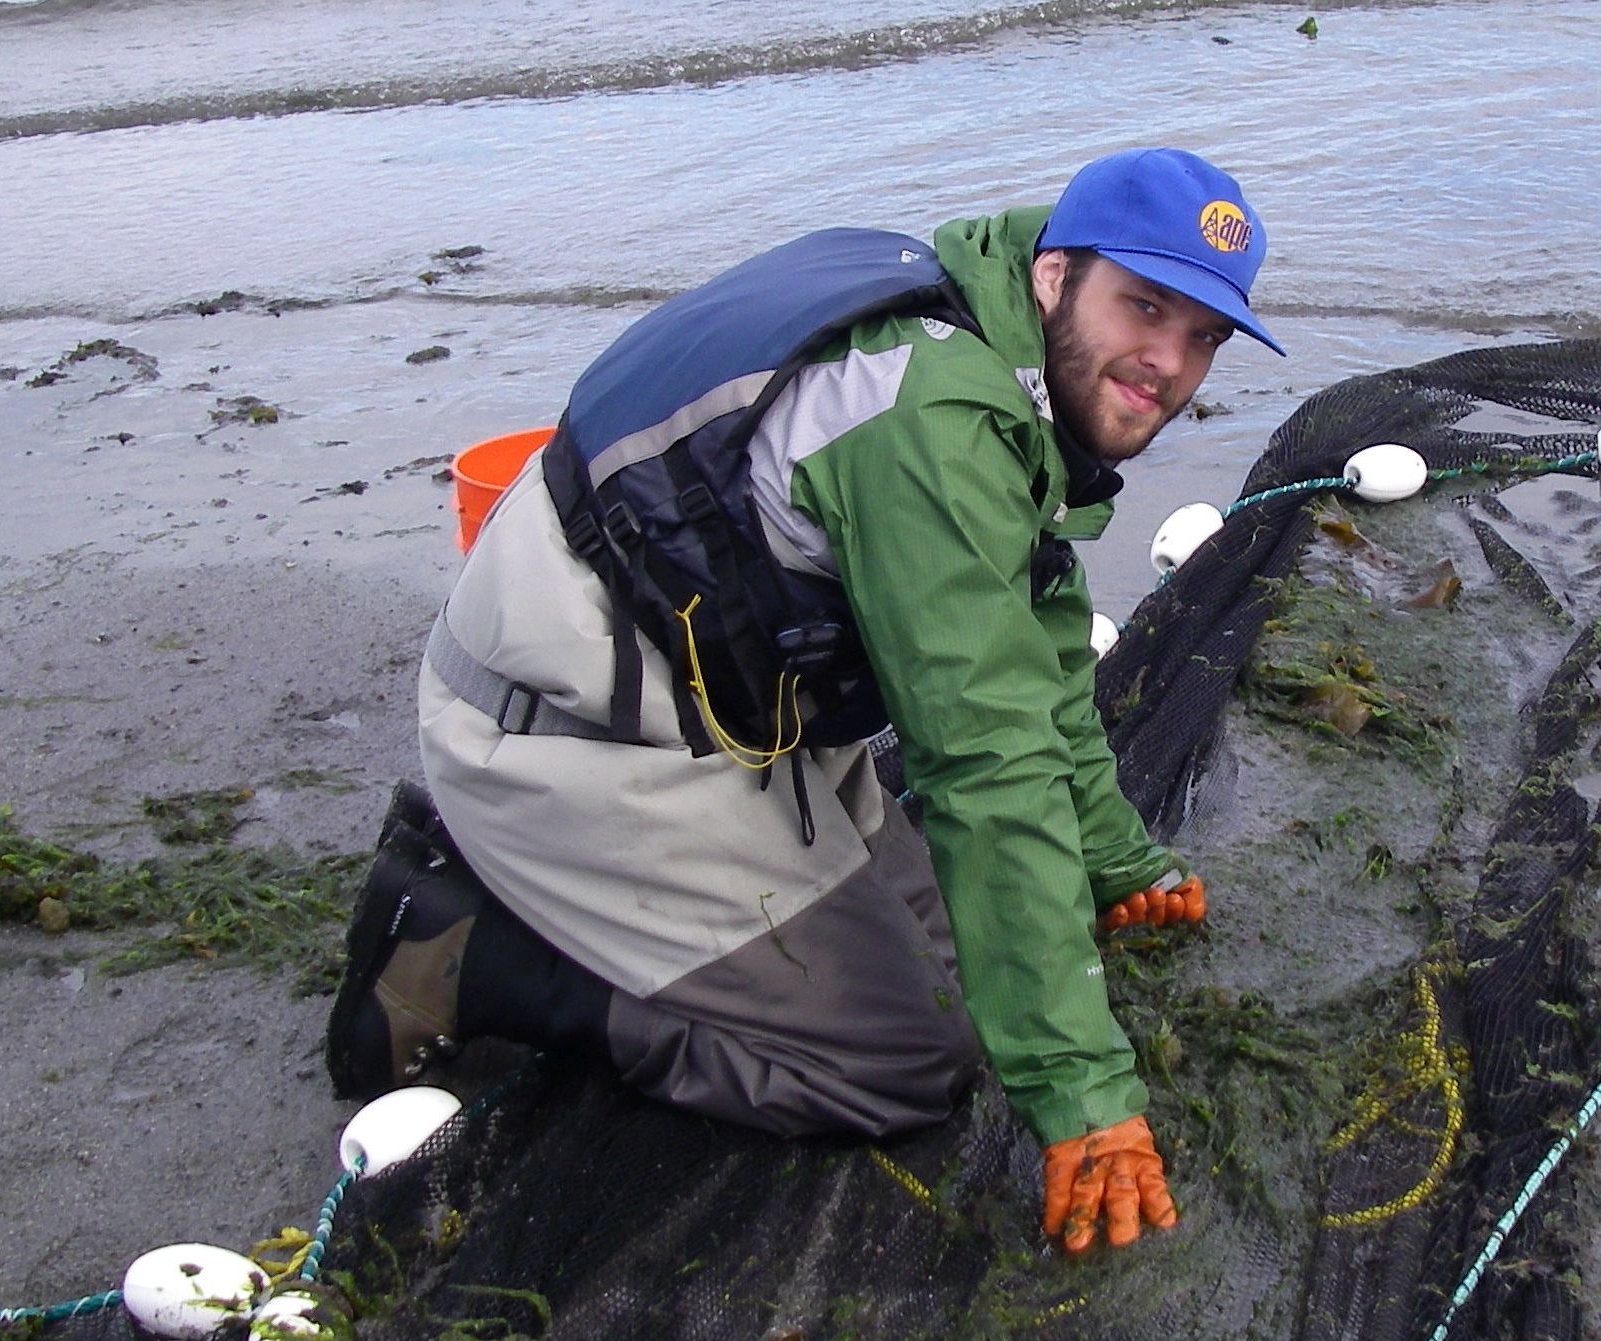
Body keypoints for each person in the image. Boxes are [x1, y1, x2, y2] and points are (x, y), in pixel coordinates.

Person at [327, 147, 1283, 1255]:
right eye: (1145, 307)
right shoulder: (934, 419)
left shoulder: (1007, 353)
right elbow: (987, 761)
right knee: (905, 1059)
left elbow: (1036, 666)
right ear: (1056, 273)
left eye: (1204, 335)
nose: (1167, 361)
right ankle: (466, 947)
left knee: (975, 967)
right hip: (569, 734)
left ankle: (609, 908)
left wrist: (1116, 860)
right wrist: (1084, 1099)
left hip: (731, 710)